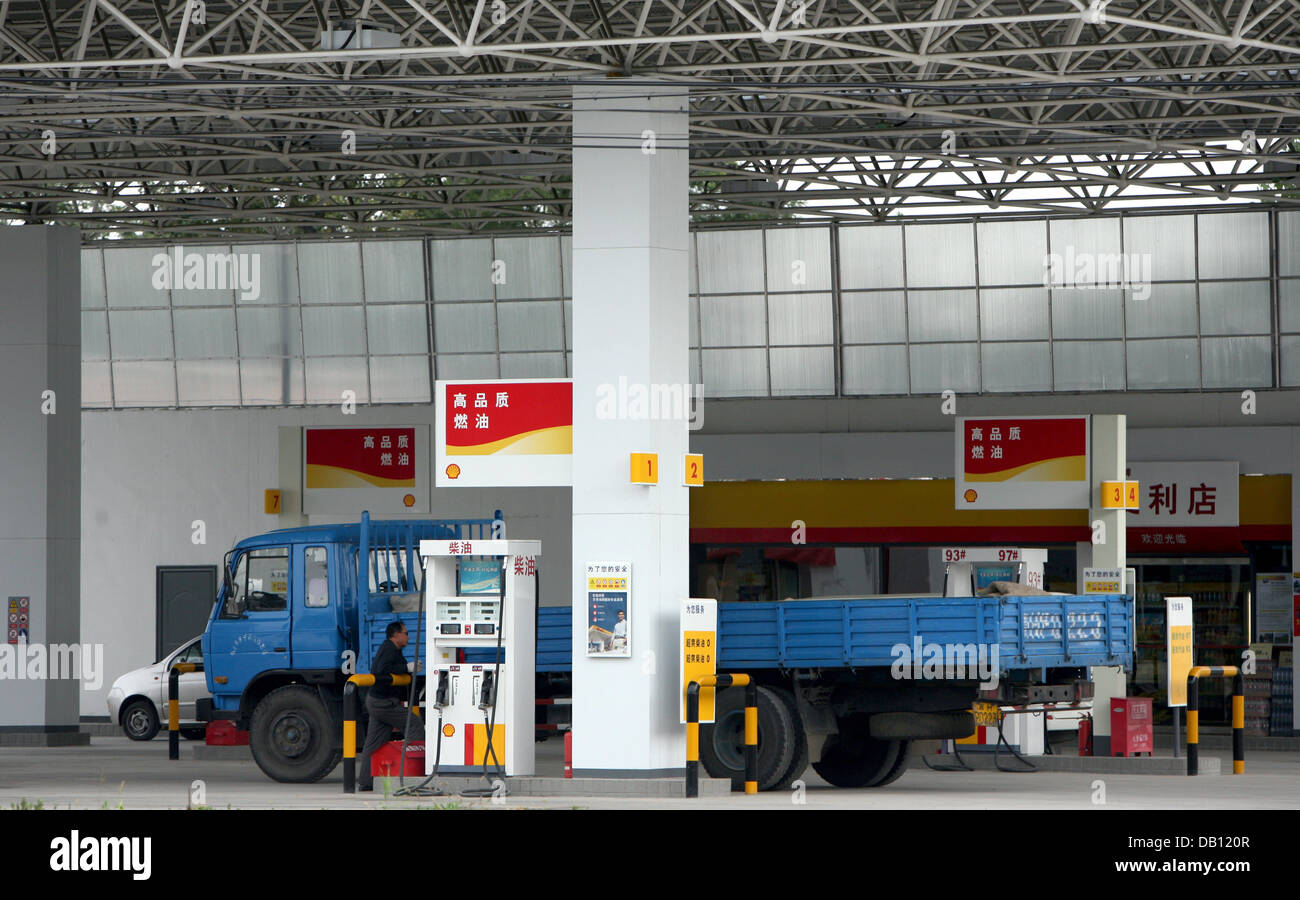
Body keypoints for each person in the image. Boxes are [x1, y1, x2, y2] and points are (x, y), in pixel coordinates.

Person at [357, 621, 424, 792]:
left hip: (378, 702)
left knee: (374, 743)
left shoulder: (394, 650)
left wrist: (408, 670)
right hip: (383, 703)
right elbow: (380, 670)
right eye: (405, 633)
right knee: (414, 724)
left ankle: (366, 781)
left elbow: (393, 669)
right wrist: (406, 667)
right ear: (395, 635)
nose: (408, 636)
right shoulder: (388, 649)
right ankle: (408, 773)